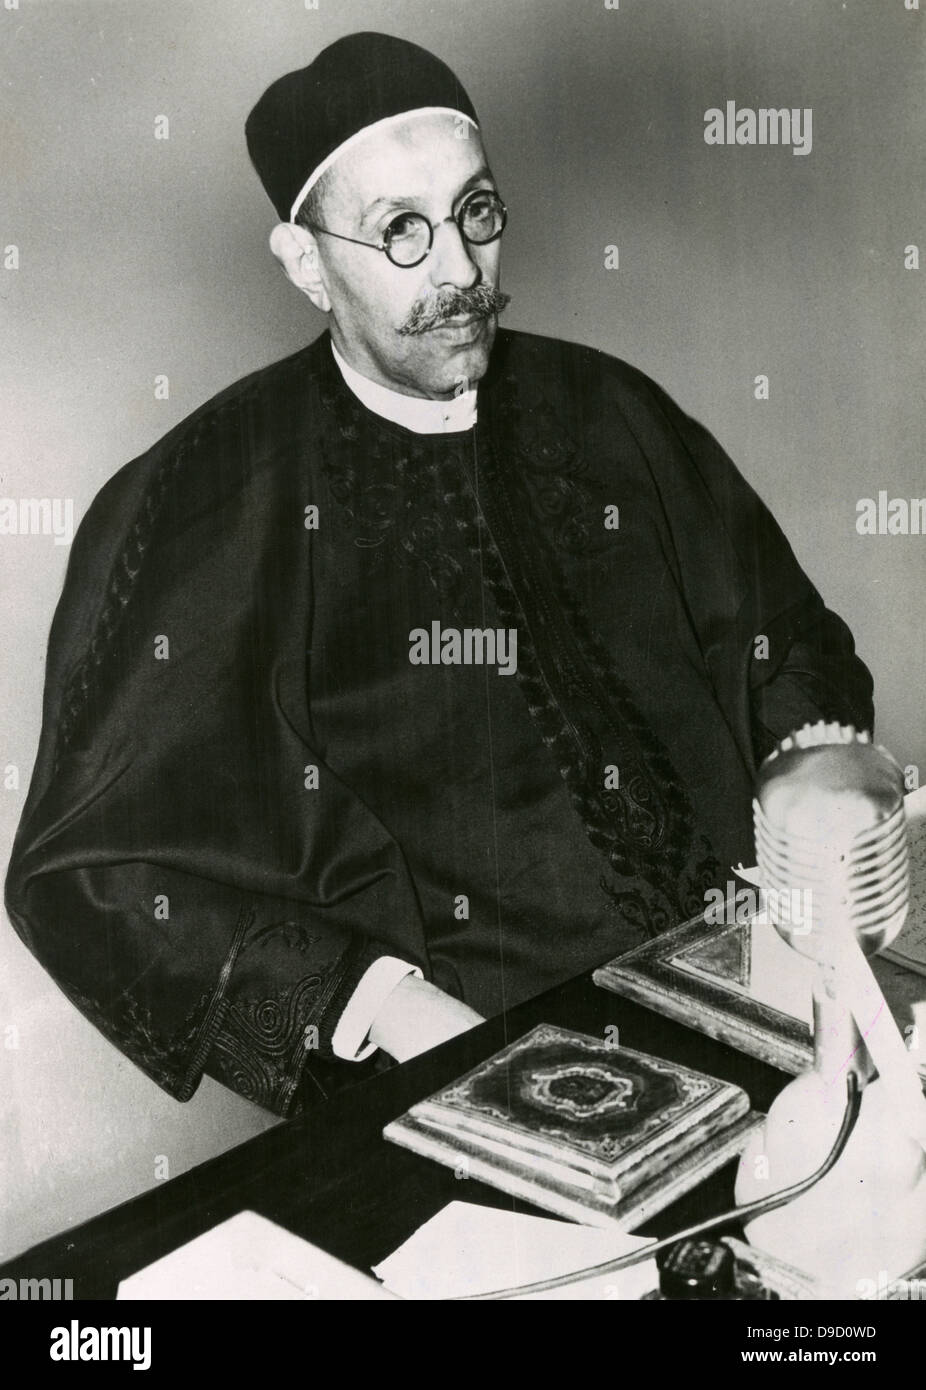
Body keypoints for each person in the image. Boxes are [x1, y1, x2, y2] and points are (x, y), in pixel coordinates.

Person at [4, 32, 874, 1117]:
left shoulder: (610, 409)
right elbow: (91, 871)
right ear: (306, 263)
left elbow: (781, 643)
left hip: (765, 995)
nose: (460, 271)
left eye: (476, 213)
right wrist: (379, 1002)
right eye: (400, 233)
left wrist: (808, 769)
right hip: (465, 1073)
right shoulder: (209, 497)